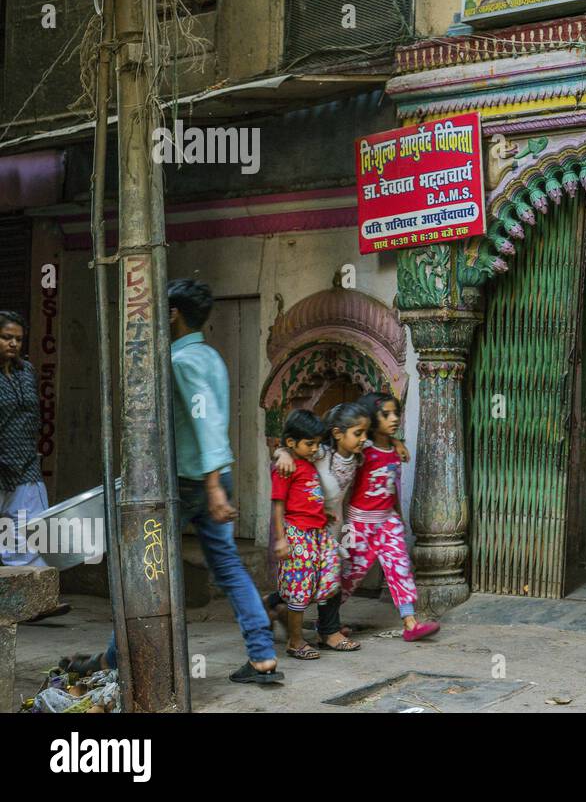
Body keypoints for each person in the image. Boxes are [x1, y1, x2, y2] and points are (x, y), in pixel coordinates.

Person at [91, 280, 282, 684]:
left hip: (191, 483)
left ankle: (113, 658)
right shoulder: (209, 356)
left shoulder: (182, 362)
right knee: (227, 565)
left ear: (174, 313)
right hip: (213, 476)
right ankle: (263, 655)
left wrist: (211, 484)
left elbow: (205, 419)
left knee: (146, 569)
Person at [265, 401, 373, 642]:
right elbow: (288, 451)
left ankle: (327, 627)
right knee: (303, 576)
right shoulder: (320, 452)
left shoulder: (357, 455)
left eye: (365, 433)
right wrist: (281, 451)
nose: (364, 439)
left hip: (331, 521)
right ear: (337, 433)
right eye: (358, 433)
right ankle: (319, 628)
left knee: (329, 573)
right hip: (302, 524)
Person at [338, 392, 438, 641]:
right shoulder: (362, 450)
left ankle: (410, 622)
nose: (393, 418)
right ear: (372, 418)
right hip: (360, 523)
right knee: (350, 574)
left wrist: (399, 517)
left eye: (396, 413)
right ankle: (328, 621)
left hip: (388, 521)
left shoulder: (395, 450)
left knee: (400, 568)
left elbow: (393, 487)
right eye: (386, 415)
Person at [0, 309, 71, 620]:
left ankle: (38, 600)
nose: (13, 344)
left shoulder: (26, 372)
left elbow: (34, 416)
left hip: (24, 463)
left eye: (17, 338)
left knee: (27, 531)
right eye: (6, 337)